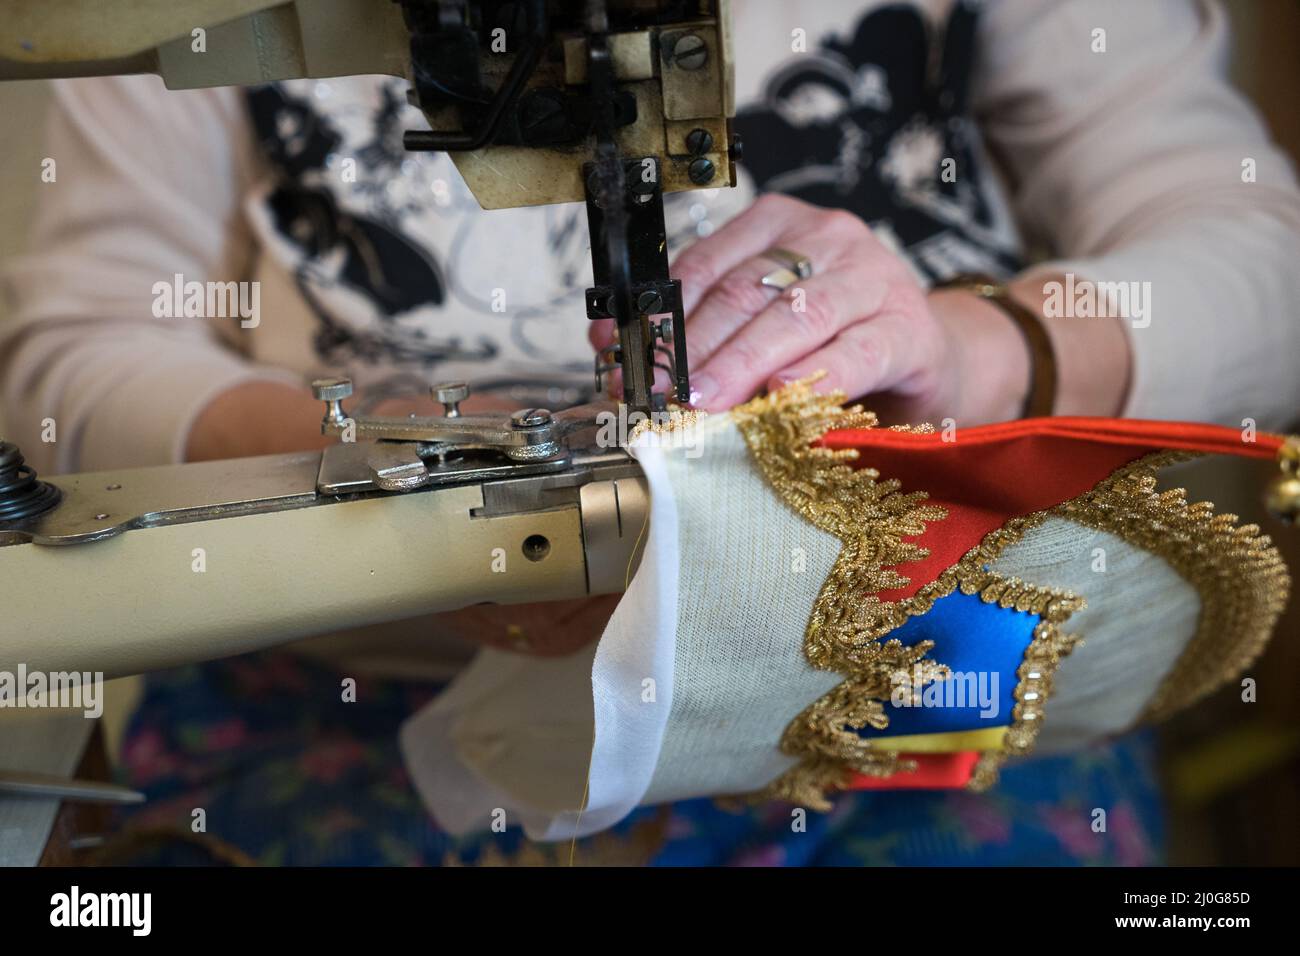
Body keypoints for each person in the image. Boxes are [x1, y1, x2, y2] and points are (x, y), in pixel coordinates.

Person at [2, 0, 1298, 865]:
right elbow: (71, 356)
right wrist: (371, 481)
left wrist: (983, 345)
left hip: (902, 687)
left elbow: (1267, 261)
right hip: (341, 692)